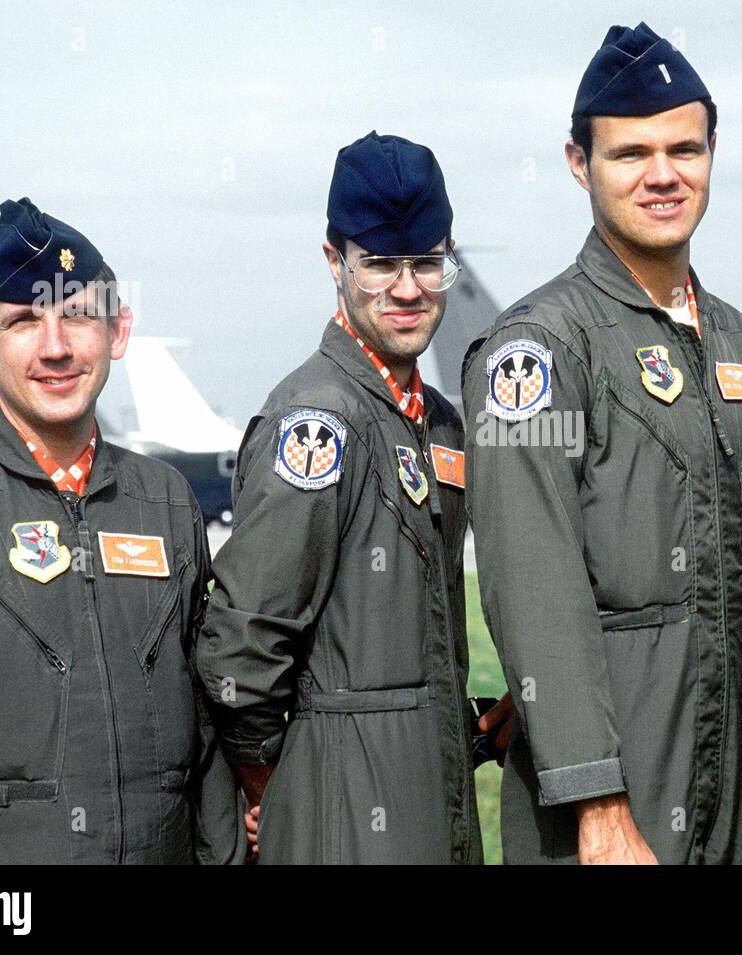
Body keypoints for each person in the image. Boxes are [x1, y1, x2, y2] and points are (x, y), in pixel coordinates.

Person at [462, 22, 742, 864]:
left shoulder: (736, 341)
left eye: (685, 148)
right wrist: (595, 798)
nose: (664, 174)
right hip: (607, 780)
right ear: (579, 163)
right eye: (630, 153)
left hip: (723, 748)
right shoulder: (540, 348)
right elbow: (535, 588)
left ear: (713, 152)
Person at [0, 197, 241, 863]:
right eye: (22, 321)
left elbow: (206, 722)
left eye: (77, 315)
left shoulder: (165, 502)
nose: (55, 347)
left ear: (118, 330)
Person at [197, 132, 506, 864]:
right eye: (380, 263)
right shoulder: (318, 421)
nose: (407, 288)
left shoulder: (439, 420)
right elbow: (240, 646)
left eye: (427, 263)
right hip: (340, 817)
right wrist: (276, 784)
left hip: (432, 799)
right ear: (335, 263)